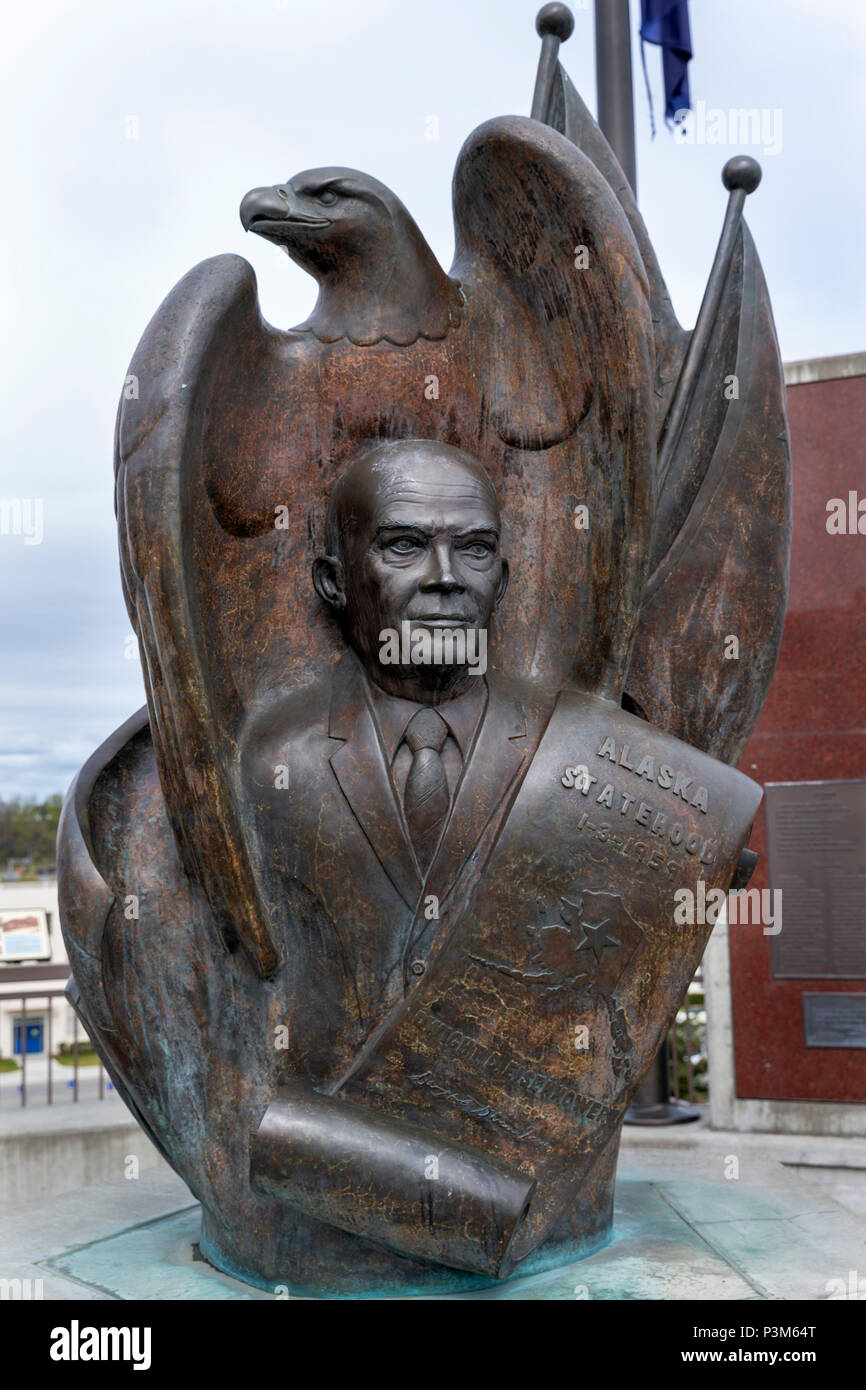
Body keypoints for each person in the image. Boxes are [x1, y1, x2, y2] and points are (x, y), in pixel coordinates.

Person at [241, 439, 551, 1073]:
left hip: (517, 1132)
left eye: (475, 549)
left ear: (502, 579)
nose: (445, 576)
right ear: (334, 582)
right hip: (328, 1130)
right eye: (405, 546)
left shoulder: (570, 750)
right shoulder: (273, 762)